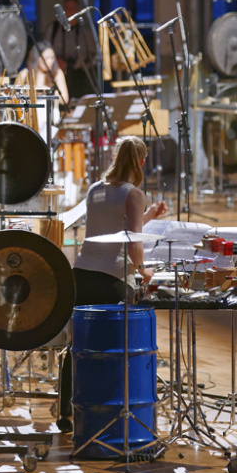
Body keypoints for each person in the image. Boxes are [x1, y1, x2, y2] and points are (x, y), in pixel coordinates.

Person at [57, 136, 168, 432]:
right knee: (116, 346)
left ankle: (65, 409)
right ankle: (109, 405)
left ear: (115, 156)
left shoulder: (95, 189)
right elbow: (132, 244)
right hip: (111, 279)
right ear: (141, 161)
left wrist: (149, 216)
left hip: (81, 274)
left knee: (78, 345)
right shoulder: (134, 193)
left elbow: (112, 227)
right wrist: (142, 271)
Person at [46, 0, 96, 103]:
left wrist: (78, 64)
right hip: (57, 72)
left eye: (73, 9)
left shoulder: (85, 31)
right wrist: (56, 61)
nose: (70, 12)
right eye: (67, 9)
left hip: (78, 77)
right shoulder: (53, 29)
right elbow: (44, 49)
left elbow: (92, 56)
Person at [15, 41, 70, 110]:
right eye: (46, 58)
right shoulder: (24, 74)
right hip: (30, 115)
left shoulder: (57, 73)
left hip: (51, 115)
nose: (50, 61)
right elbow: (15, 98)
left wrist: (47, 91)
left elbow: (65, 100)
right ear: (36, 58)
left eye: (52, 58)